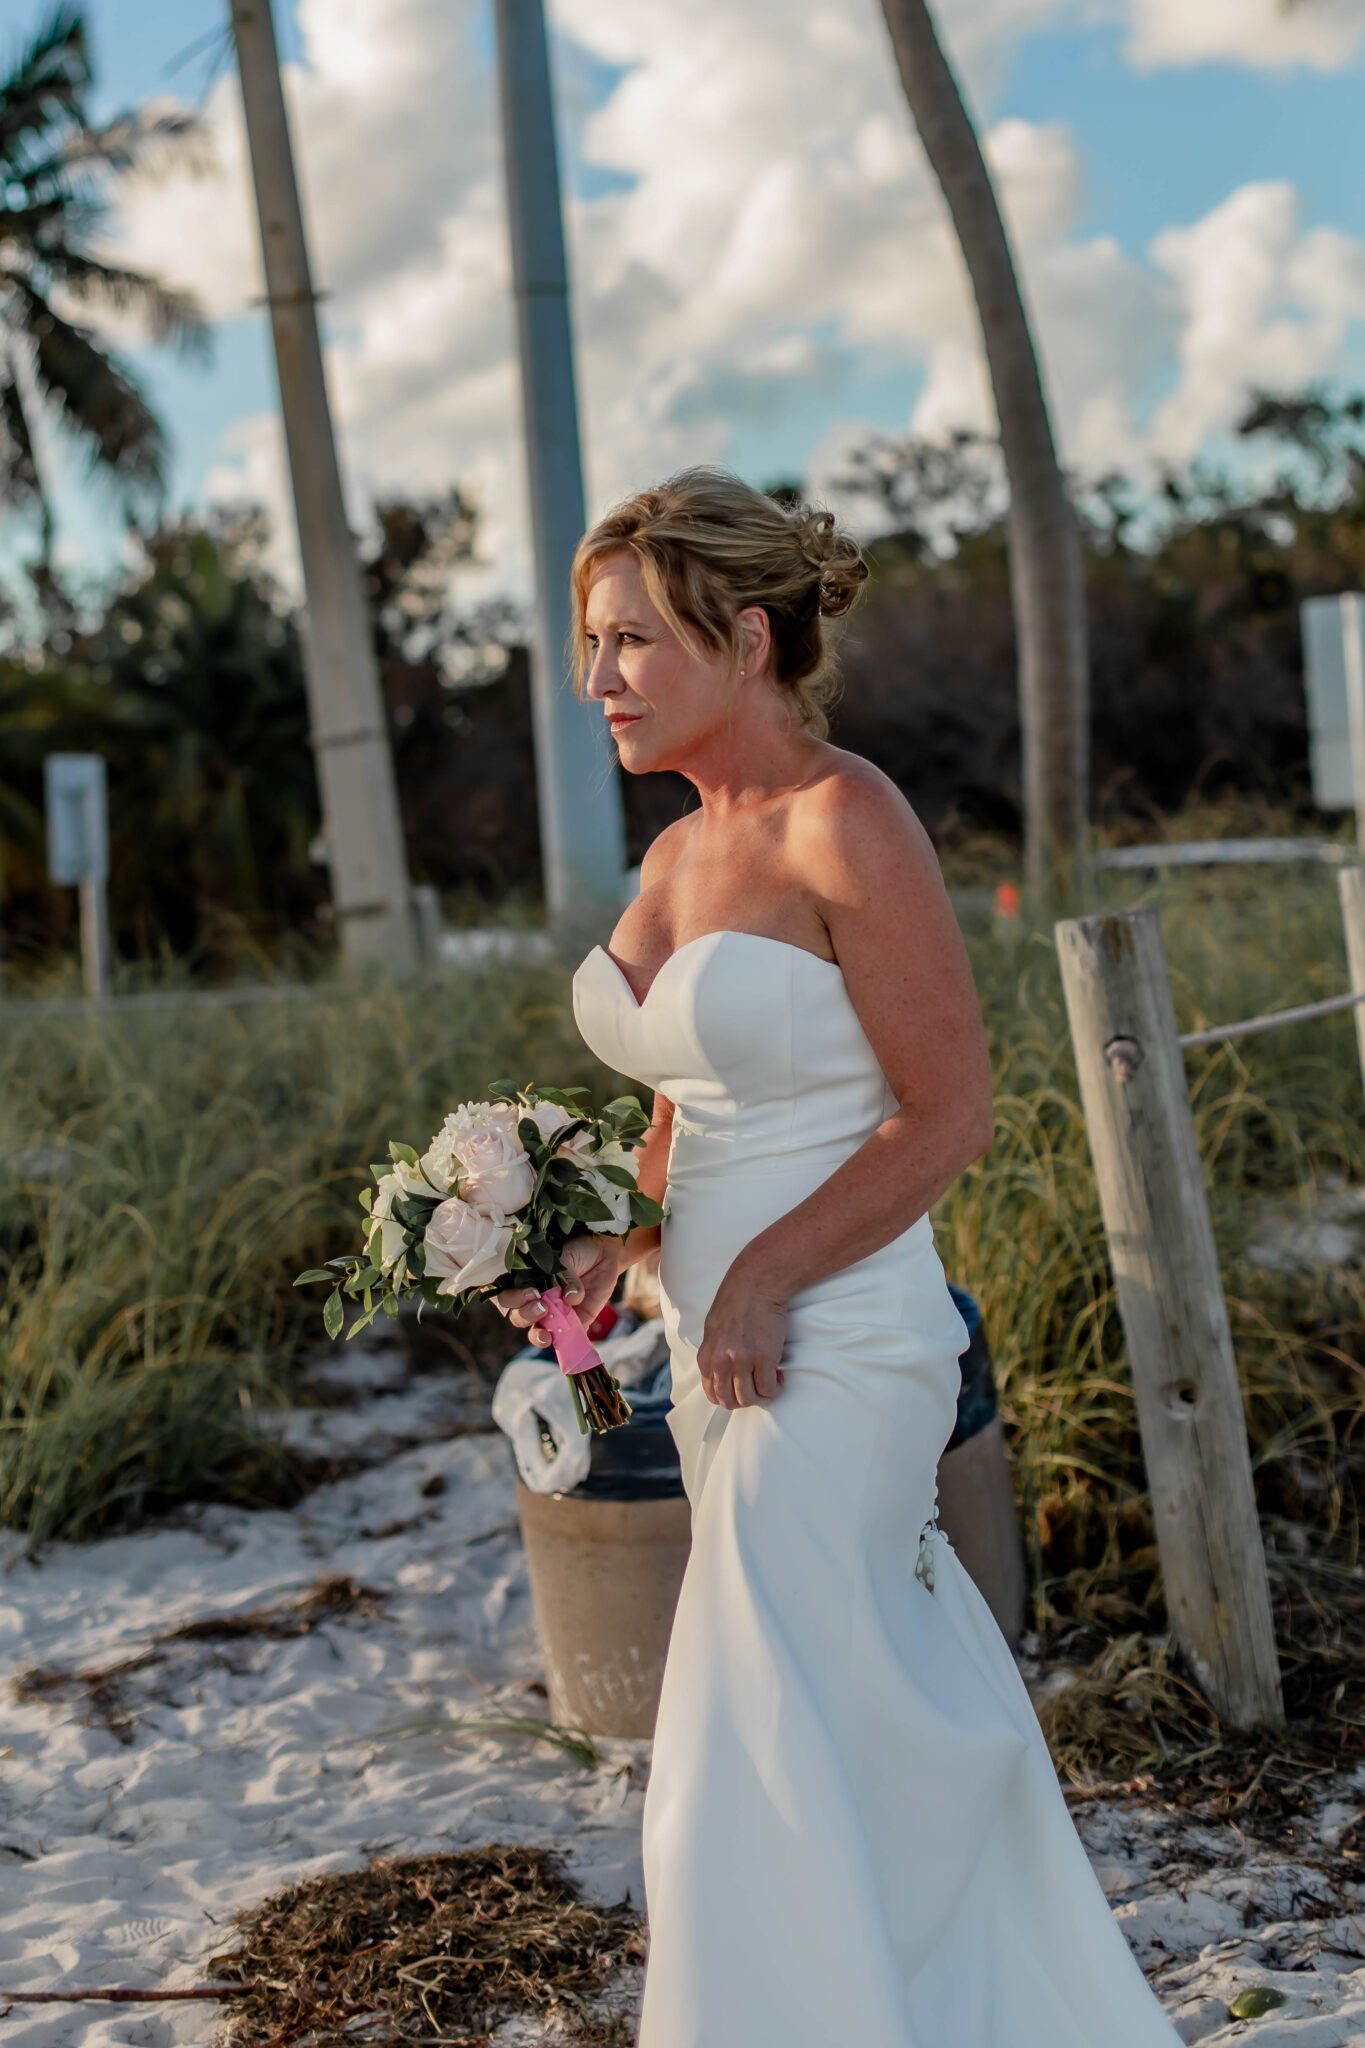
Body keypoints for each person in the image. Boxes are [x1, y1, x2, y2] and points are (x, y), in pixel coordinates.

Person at [494, 467, 1183, 2047]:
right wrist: (628, 1242)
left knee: (748, 1719)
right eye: (589, 644)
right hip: (716, 1343)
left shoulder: (844, 819)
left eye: (629, 643)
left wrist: (759, 1278)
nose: (595, 679)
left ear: (743, 638)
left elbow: (947, 1115)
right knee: (843, 1696)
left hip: (842, 1335)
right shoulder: (672, 858)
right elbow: (694, 1100)